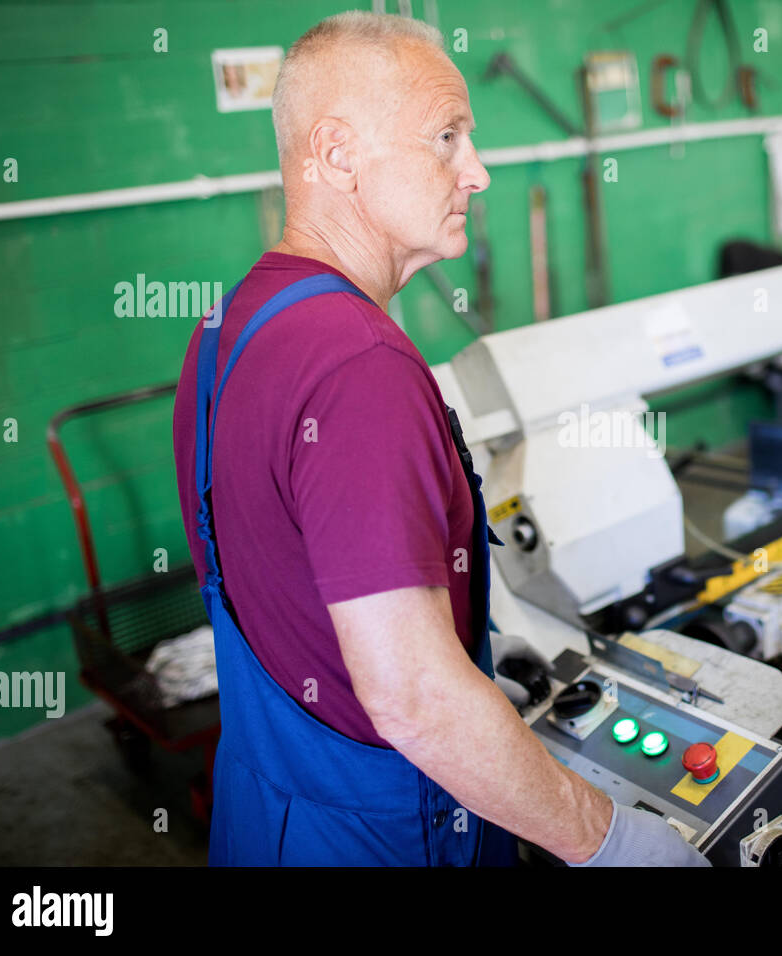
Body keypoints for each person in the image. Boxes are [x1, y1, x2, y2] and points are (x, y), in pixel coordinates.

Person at [172, 10, 707, 867]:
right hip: (384, 834)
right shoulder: (361, 368)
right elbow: (417, 697)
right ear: (339, 154)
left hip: (265, 812)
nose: (479, 171)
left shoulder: (227, 326)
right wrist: (609, 840)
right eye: (448, 138)